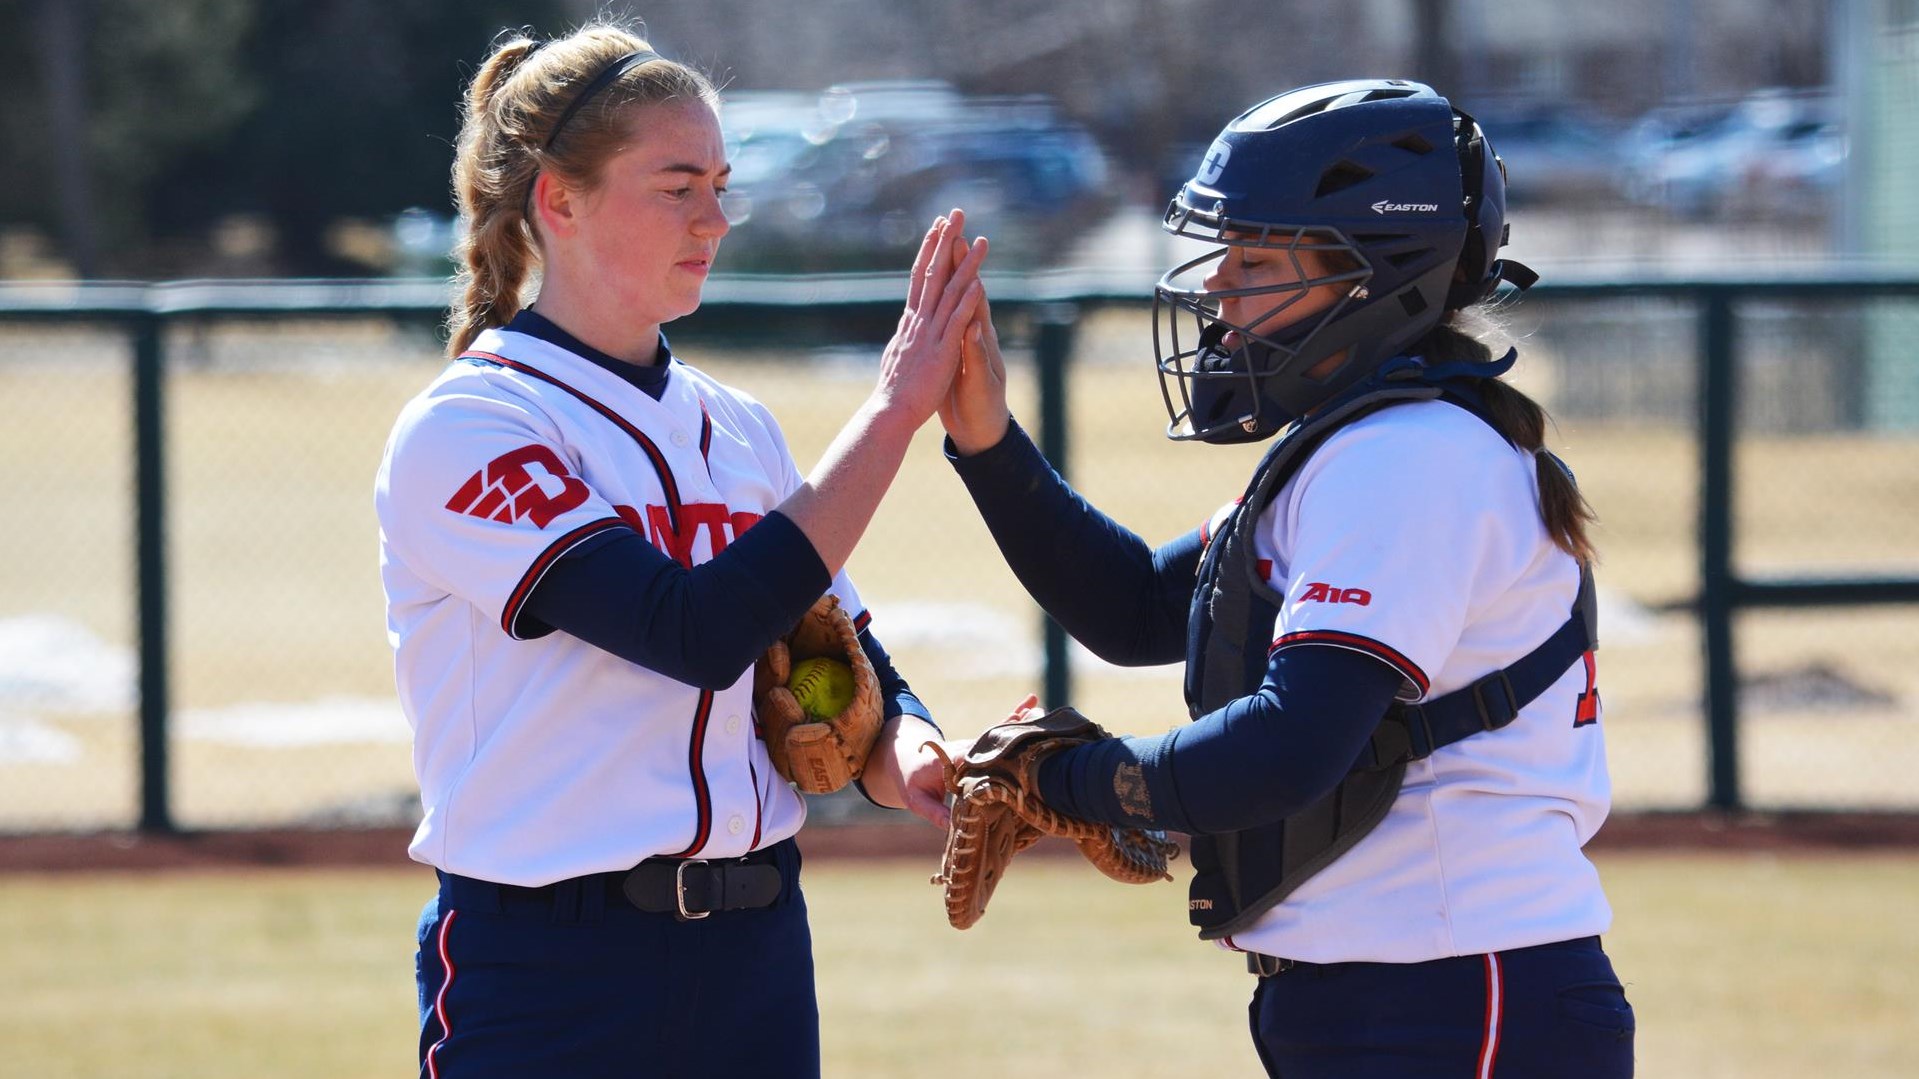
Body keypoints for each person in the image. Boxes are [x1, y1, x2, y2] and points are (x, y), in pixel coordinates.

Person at [938, 80, 1635, 1077]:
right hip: (1405, 989)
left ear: (1375, 275)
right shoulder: (1366, 445)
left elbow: (1289, 745)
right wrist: (985, 438)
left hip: (1453, 992)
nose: (1218, 288)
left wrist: (1065, 779)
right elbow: (1135, 605)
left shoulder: (1410, 455)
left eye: (1255, 258)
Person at [375, 23, 985, 1077]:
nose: (715, 216)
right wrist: (894, 412)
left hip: (754, 949)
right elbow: (689, 630)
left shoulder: (737, 424)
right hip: (552, 962)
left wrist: (911, 750)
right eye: (676, 185)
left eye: (719, 181)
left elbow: (838, 645)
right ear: (557, 201)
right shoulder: (469, 426)